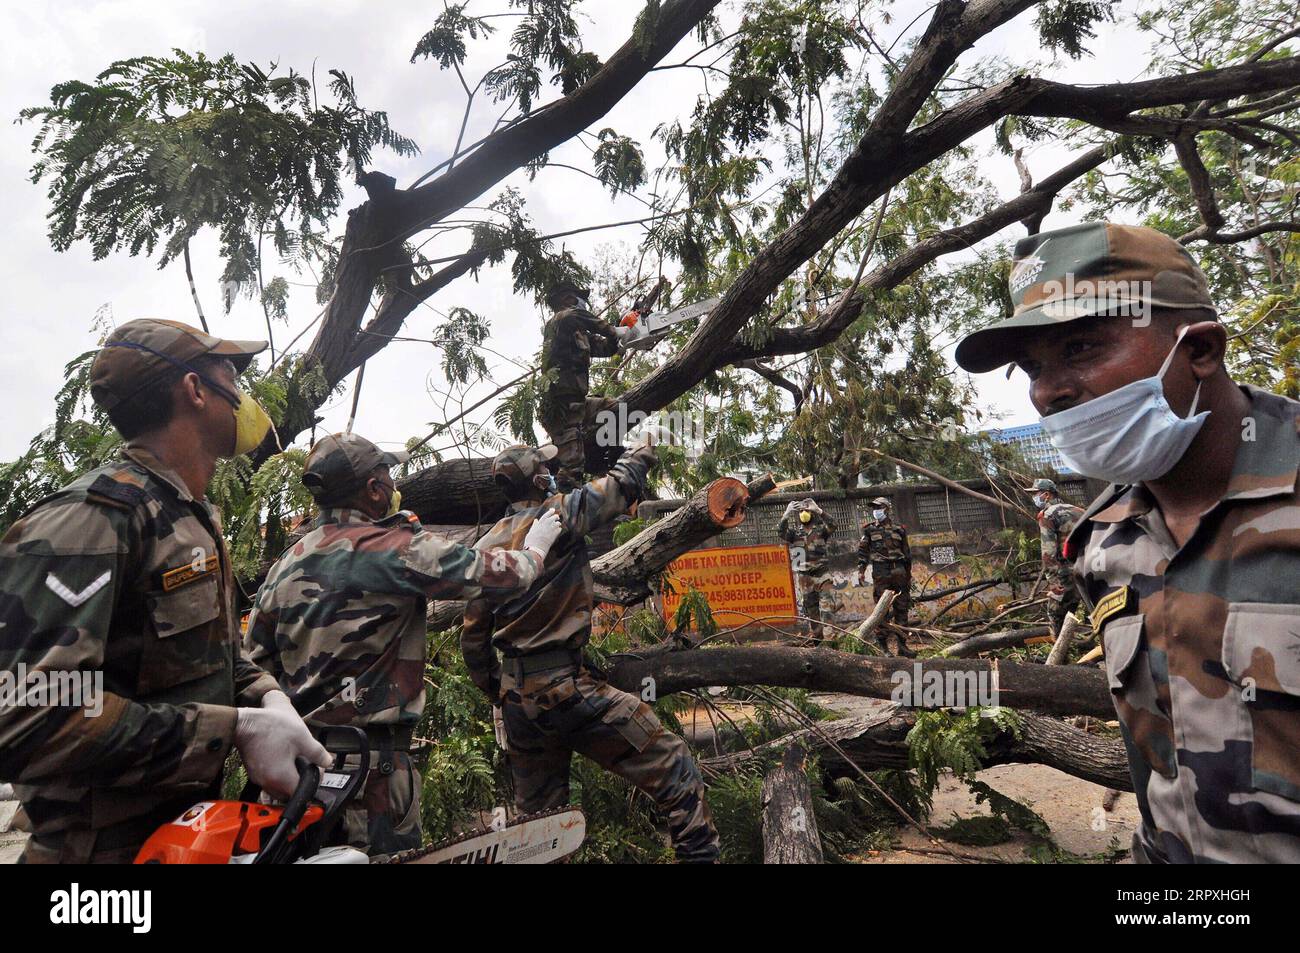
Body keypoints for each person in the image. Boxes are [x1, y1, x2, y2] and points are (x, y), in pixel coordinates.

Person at [955, 220, 1300, 863]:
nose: (1049, 390)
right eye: (1032, 367)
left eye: (1082, 347)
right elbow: (1159, 775)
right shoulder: (1104, 543)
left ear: (1199, 350)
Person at [0, 318, 331, 863]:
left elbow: (198, 653)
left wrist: (266, 696)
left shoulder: (185, 516)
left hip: (181, 840)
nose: (242, 395)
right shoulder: (91, 522)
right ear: (196, 390)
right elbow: (27, 712)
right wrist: (235, 730)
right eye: (231, 373)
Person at [245, 432, 561, 855]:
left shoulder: (285, 565)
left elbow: (253, 669)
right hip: (370, 774)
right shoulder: (396, 549)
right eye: (388, 476)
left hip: (294, 773)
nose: (395, 485)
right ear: (373, 490)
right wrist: (536, 549)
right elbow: (502, 574)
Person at [461, 439, 720, 863]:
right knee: (673, 765)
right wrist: (642, 448)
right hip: (565, 689)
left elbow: (473, 638)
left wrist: (501, 689)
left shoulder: (485, 547)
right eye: (545, 469)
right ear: (538, 478)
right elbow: (622, 485)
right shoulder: (557, 514)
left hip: (516, 703)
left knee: (539, 829)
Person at [538, 280, 632, 490]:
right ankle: (566, 511)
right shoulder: (560, 323)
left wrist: (624, 332)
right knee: (571, 471)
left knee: (617, 409)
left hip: (579, 403)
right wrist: (613, 330)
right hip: (561, 408)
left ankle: (608, 458)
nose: (582, 303)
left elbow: (607, 349)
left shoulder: (581, 335)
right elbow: (574, 316)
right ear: (568, 299)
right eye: (578, 298)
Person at [1023, 478, 1084, 635]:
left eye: (1037, 493)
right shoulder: (1079, 511)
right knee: (1090, 612)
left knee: (1056, 614)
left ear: (1047, 494)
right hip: (1088, 568)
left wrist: (1053, 581)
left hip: (1065, 573)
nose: (1035, 497)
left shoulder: (1047, 515)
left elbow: (1048, 551)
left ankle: (1060, 656)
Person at [856, 496, 913, 656]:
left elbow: (907, 553)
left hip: (899, 571)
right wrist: (861, 571)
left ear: (886, 509)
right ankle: (884, 648)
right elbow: (863, 552)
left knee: (902, 608)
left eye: (878, 508)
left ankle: (902, 647)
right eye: (874, 508)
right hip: (881, 572)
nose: (875, 511)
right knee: (882, 611)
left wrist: (908, 576)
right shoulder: (869, 529)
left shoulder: (899, 529)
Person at [776, 499, 837, 643]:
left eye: (807, 510)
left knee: (827, 608)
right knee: (812, 612)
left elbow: (833, 524)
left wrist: (819, 510)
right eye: (801, 511)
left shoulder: (821, 530)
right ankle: (818, 643)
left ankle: (830, 642)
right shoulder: (794, 533)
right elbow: (780, 532)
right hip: (805, 578)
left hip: (822, 575)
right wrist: (786, 514)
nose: (804, 513)